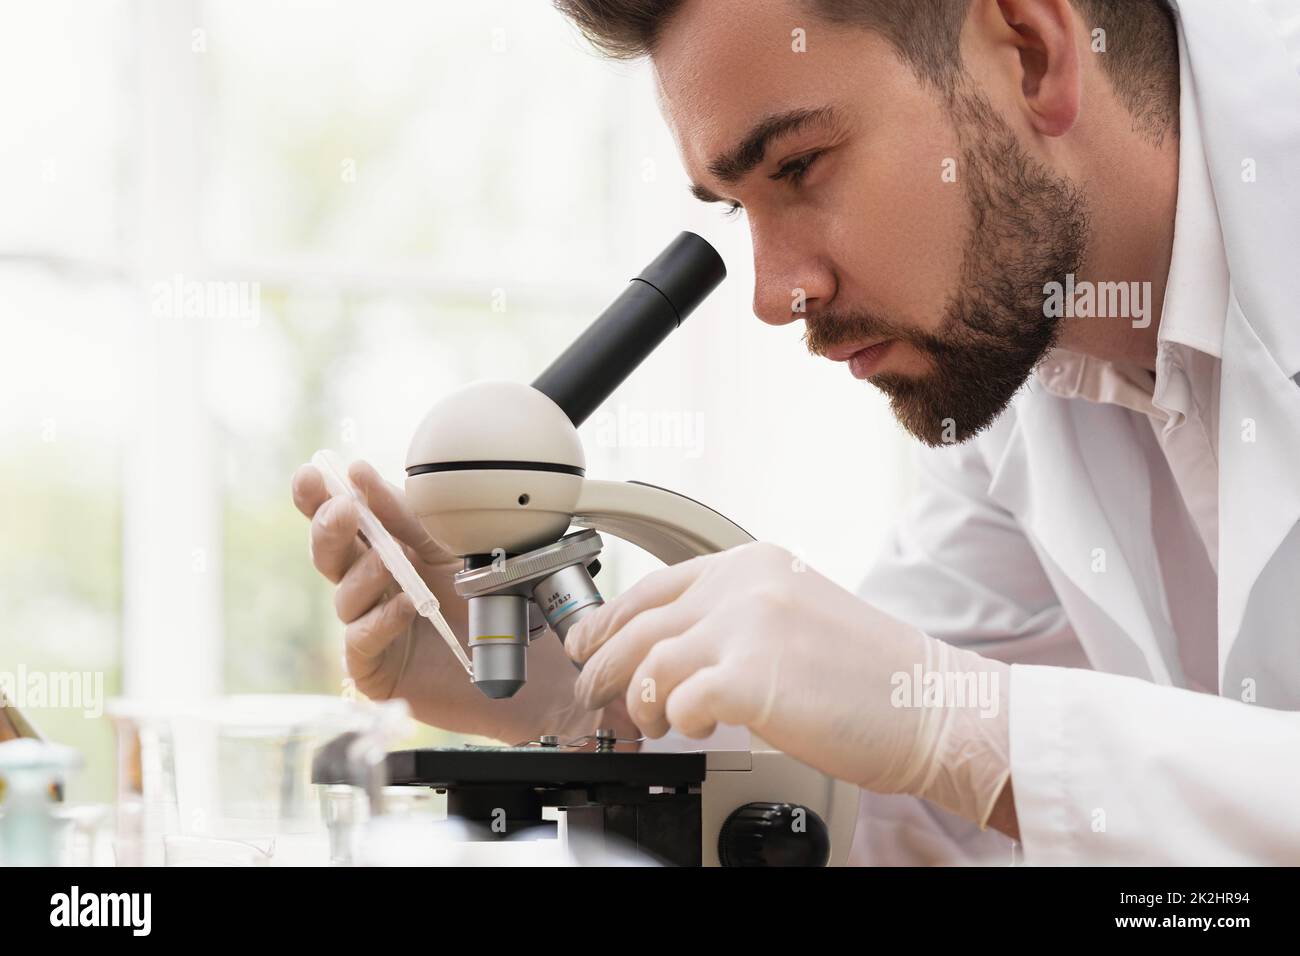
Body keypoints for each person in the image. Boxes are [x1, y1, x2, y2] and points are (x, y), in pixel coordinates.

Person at [293, 0, 1300, 864]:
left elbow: (966, 733)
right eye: (738, 210)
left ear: (1030, 52)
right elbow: (893, 802)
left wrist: (971, 720)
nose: (777, 294)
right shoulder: (1019, 355)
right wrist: (581, 691)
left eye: (800, 165)